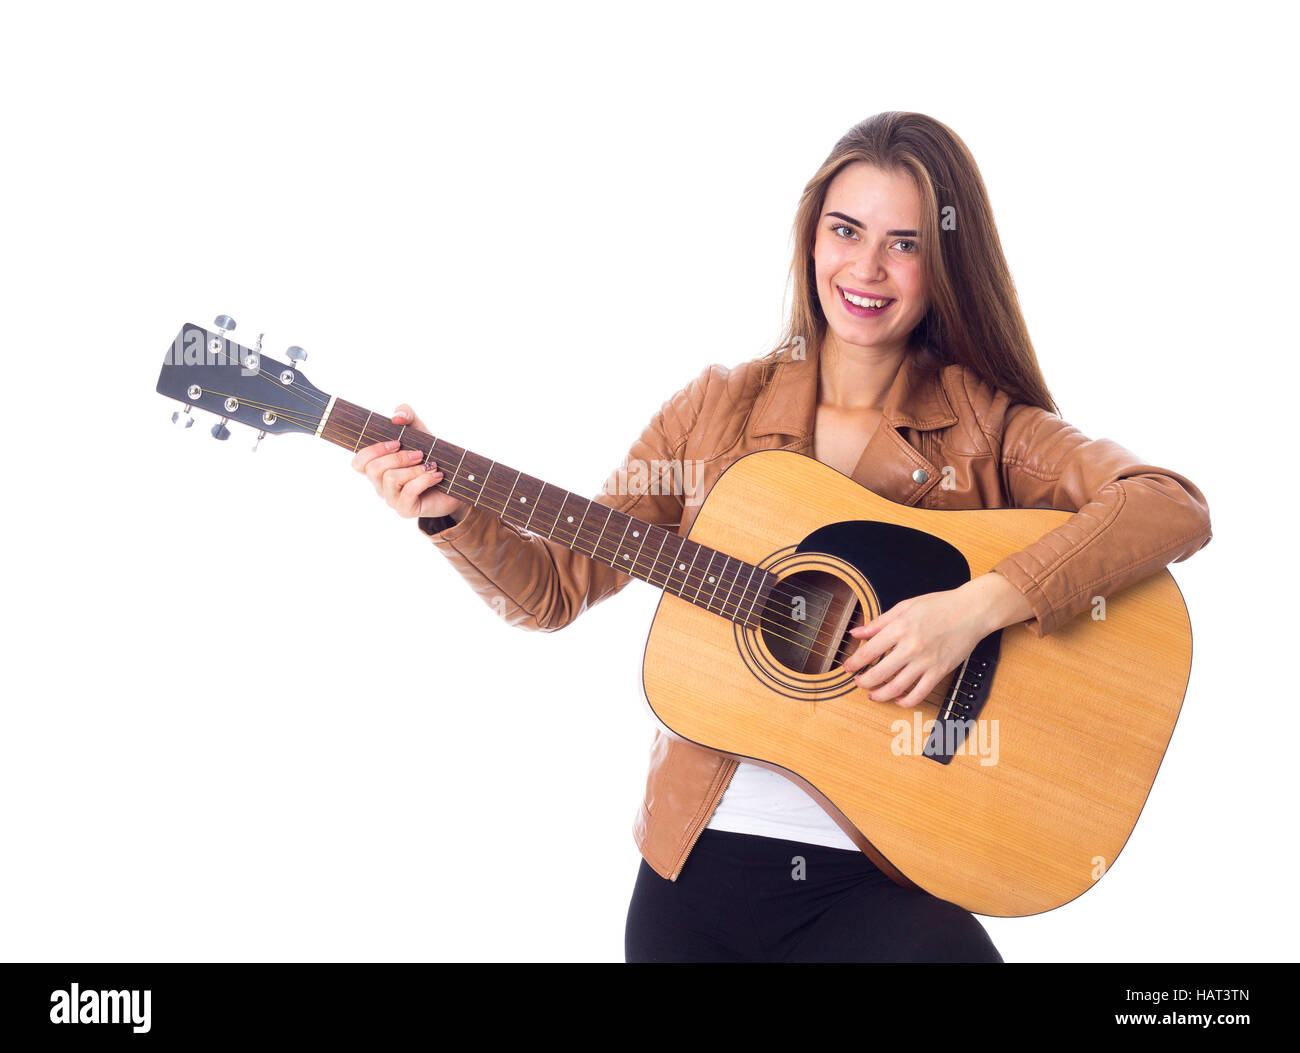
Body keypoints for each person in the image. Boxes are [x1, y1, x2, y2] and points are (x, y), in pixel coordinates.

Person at [349, 112, 1213, 962]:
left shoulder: (986, 428)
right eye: (846, 230)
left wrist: (975, 608)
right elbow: (553, 589)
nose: (866, 268)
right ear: (811, 239)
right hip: (695, 884)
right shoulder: (713, 411)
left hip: (884, 876)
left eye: (905, 243)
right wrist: (446, 511)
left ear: (945, 261)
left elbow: (1167, 503)